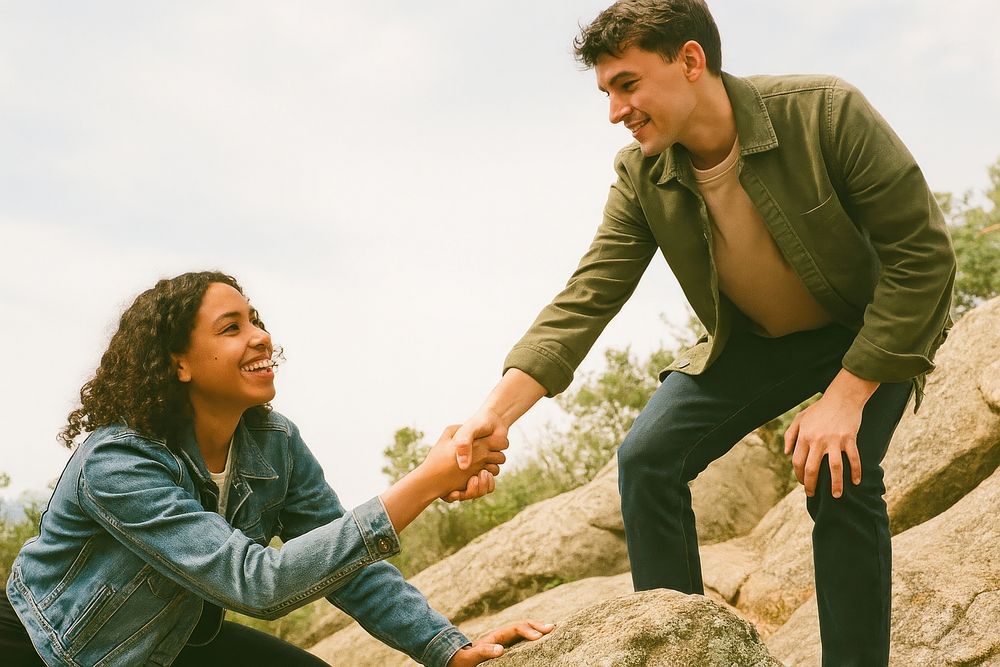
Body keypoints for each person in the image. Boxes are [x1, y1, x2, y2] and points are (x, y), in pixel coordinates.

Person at [448, 1, 956, 665]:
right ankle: (682, 655)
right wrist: (493, 416)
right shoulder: (641, 175)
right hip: (756, 345)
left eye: (628, 85)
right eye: (606, 92)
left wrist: (849, 391)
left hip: (868, 332)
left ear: (690, 61)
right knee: (646, 459)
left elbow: (923, 255)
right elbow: (585, 299)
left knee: (840, 469)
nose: (615, 111)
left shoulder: (824, 111)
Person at [2, 271, 553, 666]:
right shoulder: (117, 462)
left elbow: (351, 570)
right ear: (179, 363)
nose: (260, 336)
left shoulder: (274, 442)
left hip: (172, 643)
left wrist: (447, 649)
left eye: (256, 320)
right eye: (230, 327)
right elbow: (254, 585)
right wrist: (427, 481)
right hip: (53, 648)